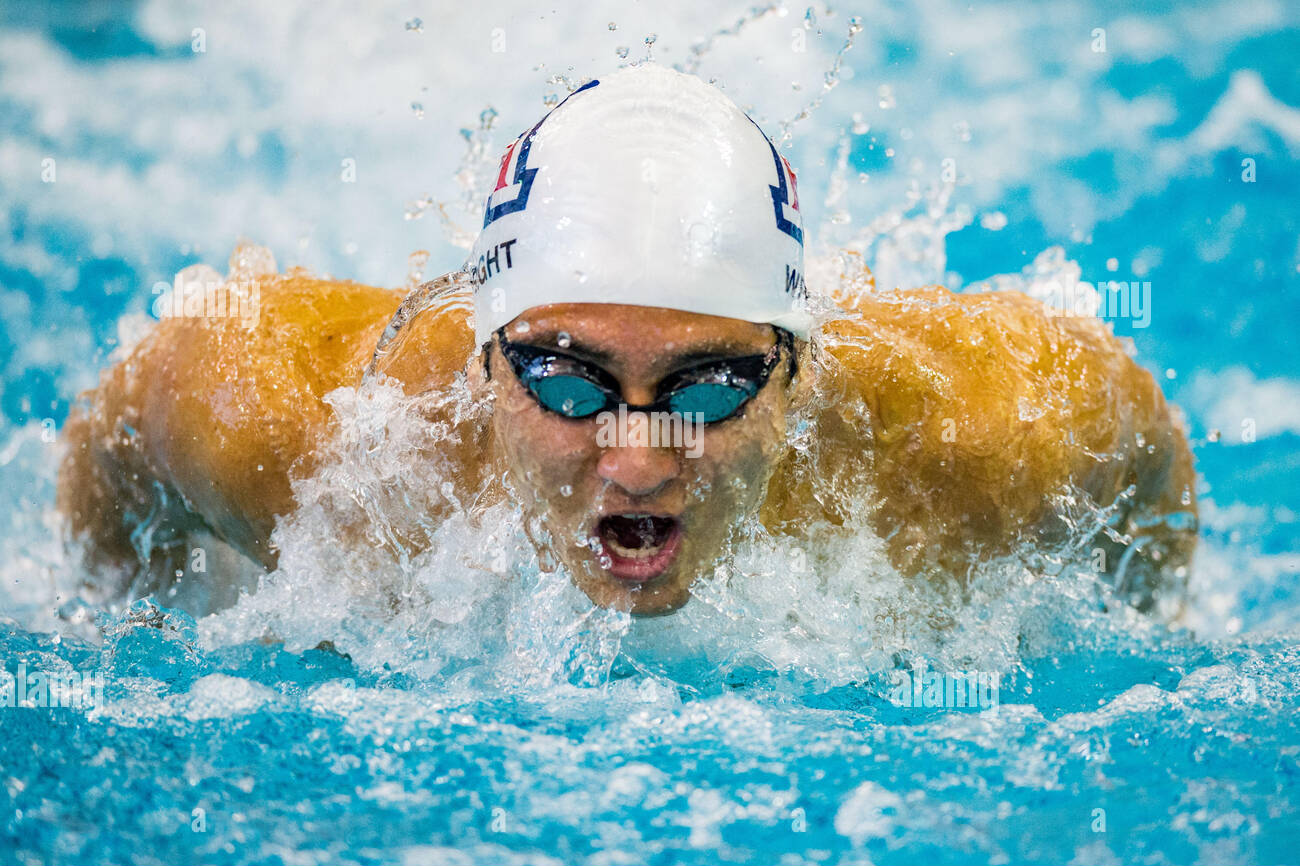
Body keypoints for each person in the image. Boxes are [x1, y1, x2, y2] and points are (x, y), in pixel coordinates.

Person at [57, 63, 1197, 617]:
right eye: (564, 382)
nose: (640, 460)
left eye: (705, 390)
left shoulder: (975, 446)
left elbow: (1142, 455)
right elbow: (118, 440)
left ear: (798, 373)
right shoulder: (294, 431)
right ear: (481, 364)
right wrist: (131, 615)